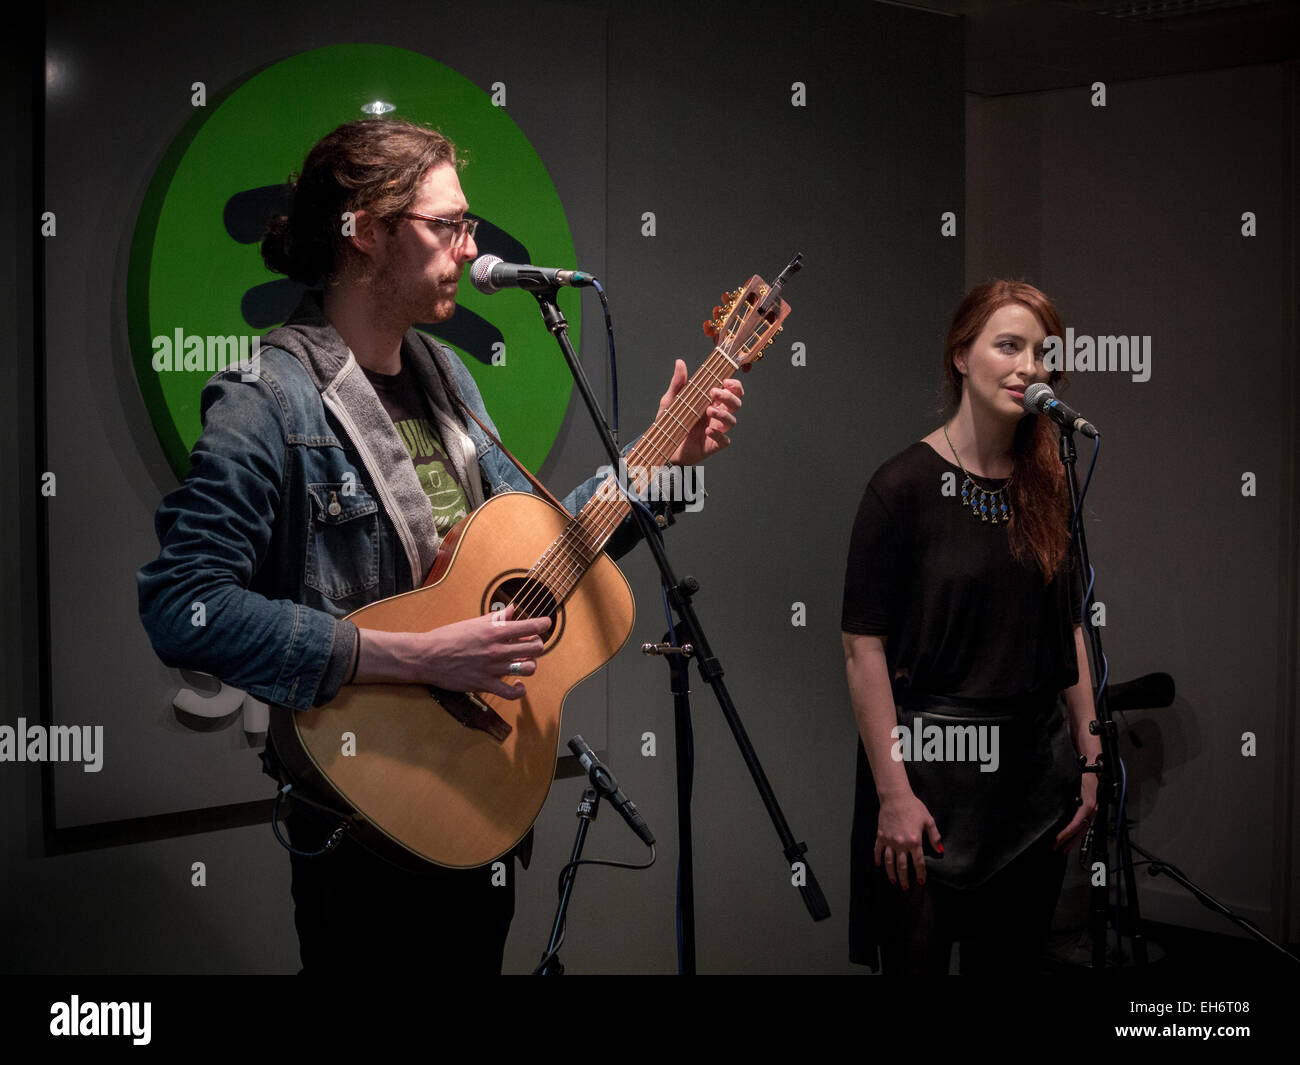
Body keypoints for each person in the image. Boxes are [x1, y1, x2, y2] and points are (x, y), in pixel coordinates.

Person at [137, 117, 743, 974]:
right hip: (363, 829)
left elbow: (532, 561)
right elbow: (180, 605)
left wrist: (662, 463)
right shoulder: (266, 398)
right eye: (448, 224)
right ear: (367, 232)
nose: (470, 247)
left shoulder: (447, 379)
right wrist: (419, 657)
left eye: (469, 225)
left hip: (479, 802)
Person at [841, 280, 1101, 975]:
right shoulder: (901, 488)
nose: (1028, 367)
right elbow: (862, 648)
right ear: (961, 355)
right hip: (929, 779)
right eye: (1008, 345)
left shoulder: (1048, 484)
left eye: (1041, 353)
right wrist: (893, 794)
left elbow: (1068, 625)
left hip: (1030, 781)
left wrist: (1090, 749)